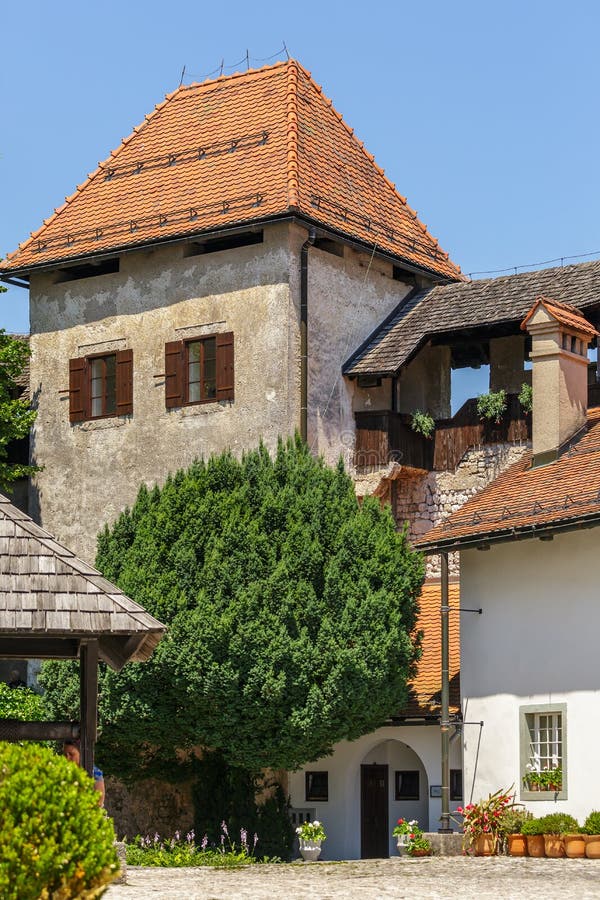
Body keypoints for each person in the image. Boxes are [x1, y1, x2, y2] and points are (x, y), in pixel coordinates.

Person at [63, 739, 105, 807]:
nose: (67, 758)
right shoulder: (64, 771)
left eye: (71, 754)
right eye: (65, 755)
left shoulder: (95, 772)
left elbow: (99, 802)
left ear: (81, 754)